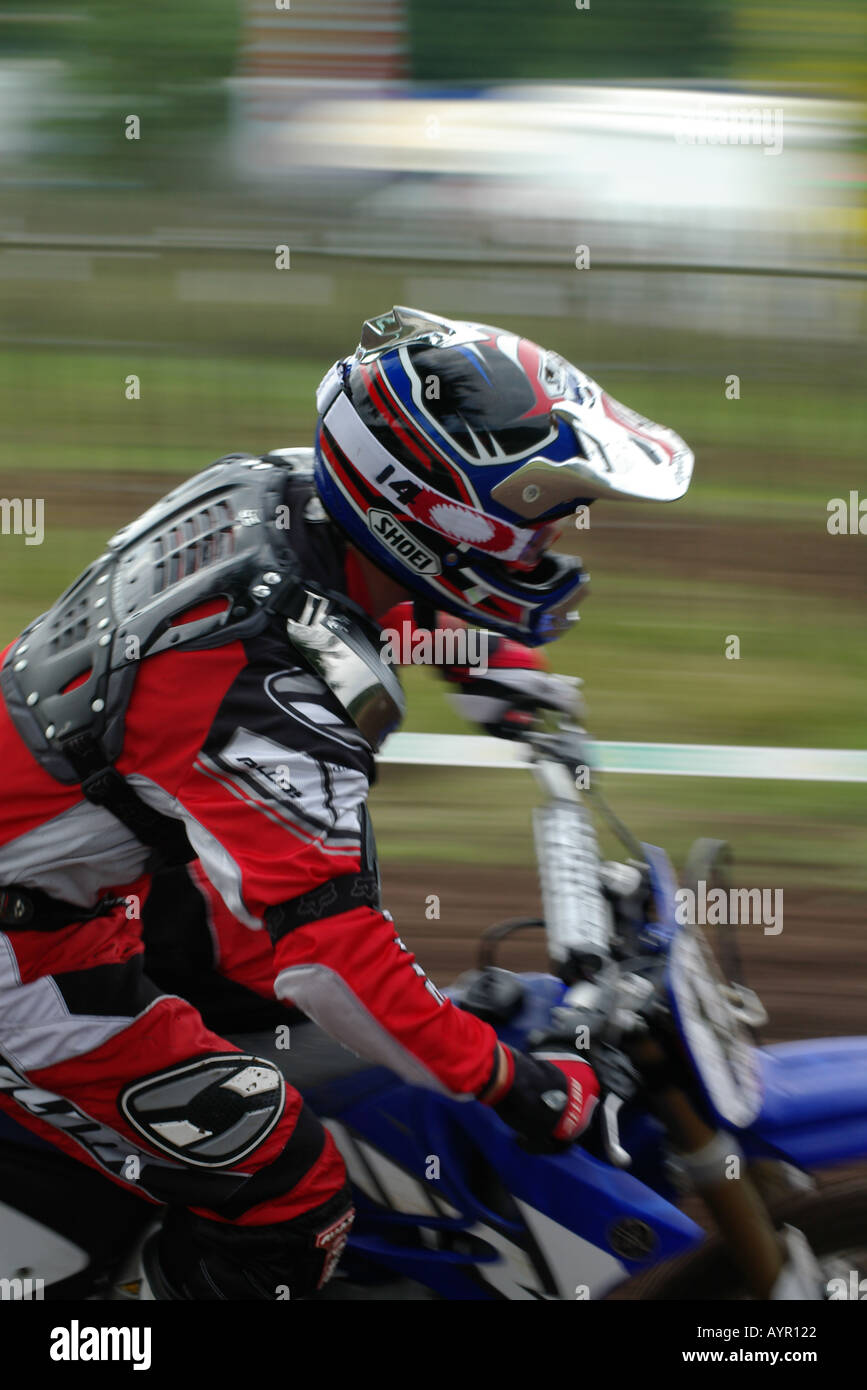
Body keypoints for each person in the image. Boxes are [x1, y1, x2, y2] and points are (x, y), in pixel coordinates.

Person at [0, 307, 693, 1299]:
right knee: (289, 1177)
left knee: (253, 996)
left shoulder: (273, 487)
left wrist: (481, 659)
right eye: (540, 510)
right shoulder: (265, 687)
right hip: (27, 943)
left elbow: (356, 580)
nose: (550, 539)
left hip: (59, 847)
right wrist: (522, 1084)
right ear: (443, 508)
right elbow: (333, 962)